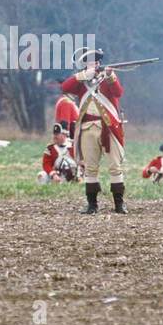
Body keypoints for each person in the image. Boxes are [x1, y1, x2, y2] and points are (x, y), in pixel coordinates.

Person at [61, 48, 128, 214]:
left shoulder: (106, 78)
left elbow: (118, 92)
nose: (96, 64)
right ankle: (92, 205)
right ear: (86, 65)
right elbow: (65, 87)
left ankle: (119, 204)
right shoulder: (81, 81)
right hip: (88, 128)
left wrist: (110, 76)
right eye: (92, 61)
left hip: (108, 128)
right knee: (90, 168)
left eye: (97, 61)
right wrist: (84, 75)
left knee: (115, 167)